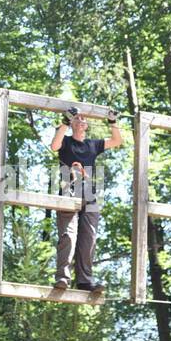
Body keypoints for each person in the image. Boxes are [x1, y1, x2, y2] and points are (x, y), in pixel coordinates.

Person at [49, 106, 123, 292]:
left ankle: (85, 280)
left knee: (89, 237)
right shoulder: (65, 141)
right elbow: (54, 146)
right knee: (68, 235)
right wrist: (65, 121)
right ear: (72, 123)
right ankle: (63, 278)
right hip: (69, 185)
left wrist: (112, 122)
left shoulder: (93, 145)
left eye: (83, 118)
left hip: (89, 189)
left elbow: (116, 140)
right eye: (77, 118)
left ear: (87, 125)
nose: (80, 119)